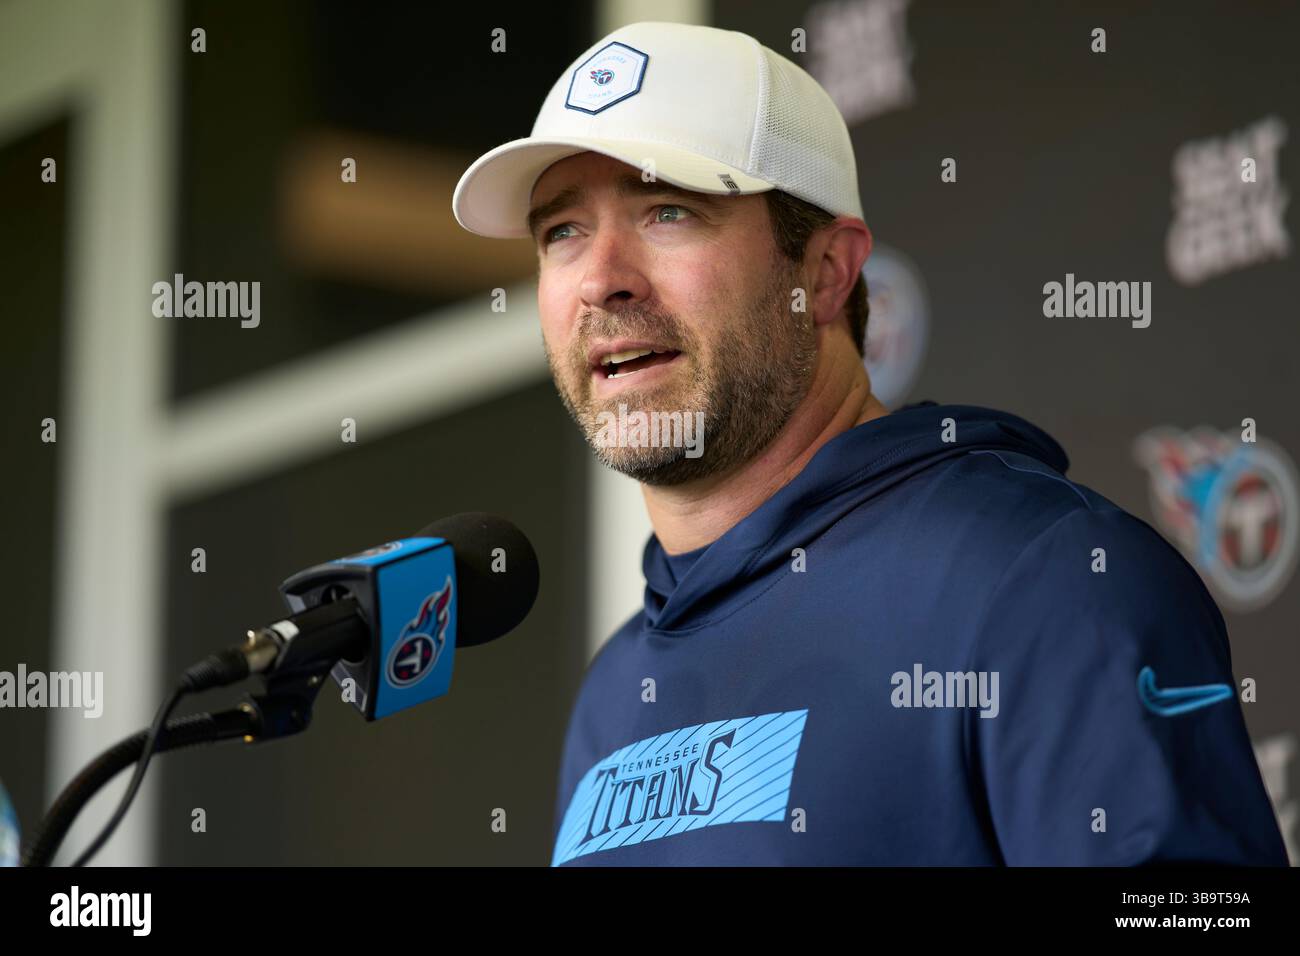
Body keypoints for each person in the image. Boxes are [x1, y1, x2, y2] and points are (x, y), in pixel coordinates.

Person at [452, 21, 1288, 866]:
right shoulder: (614, 689)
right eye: (562, 232)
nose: (601, 277)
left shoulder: (1044, 579)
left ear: (824, 272)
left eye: (669, 211)